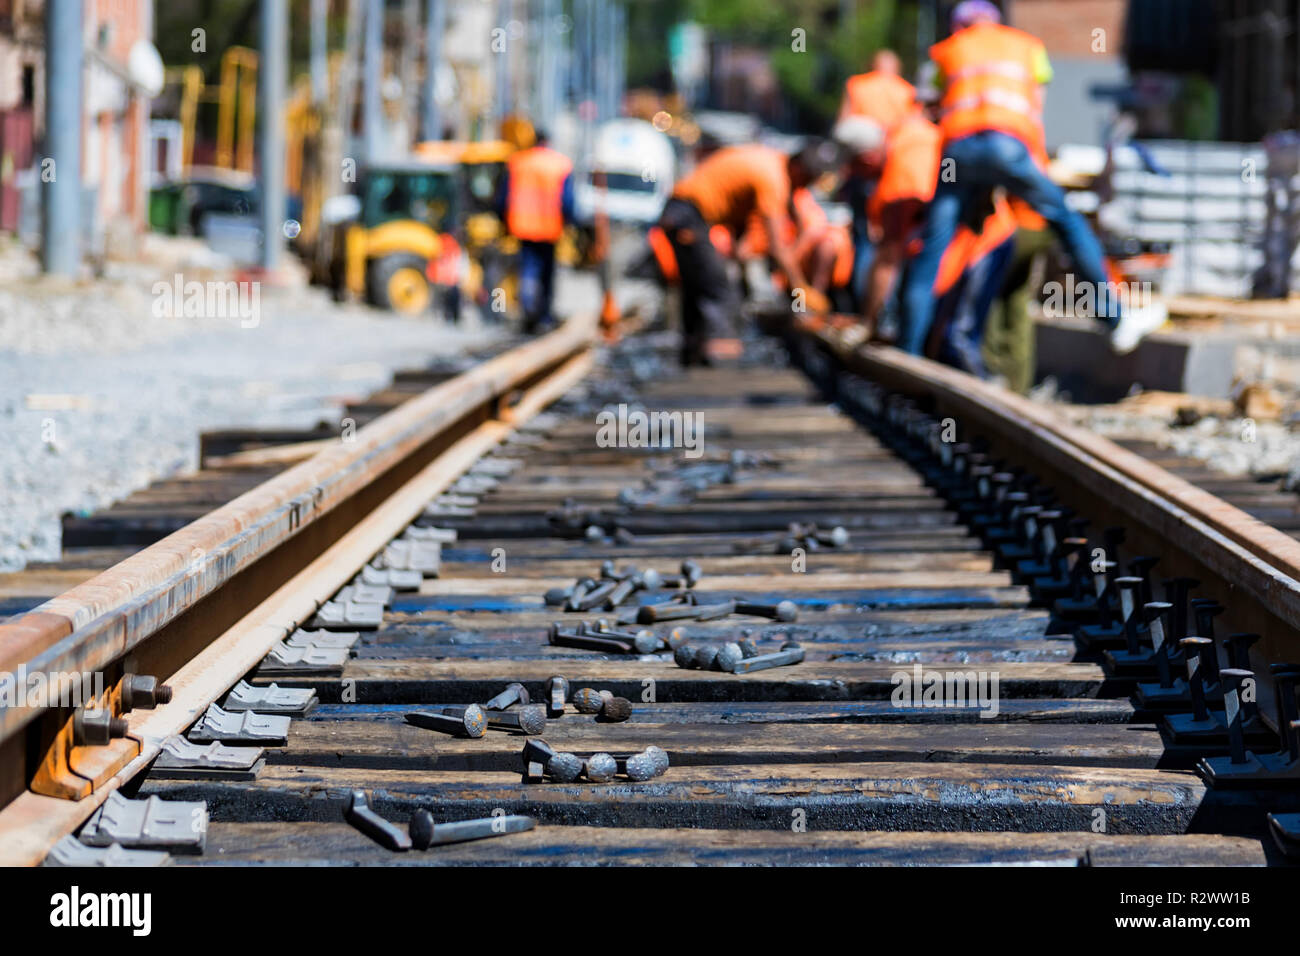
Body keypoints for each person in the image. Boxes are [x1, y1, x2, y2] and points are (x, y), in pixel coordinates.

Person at [897, 0, 1164, 356]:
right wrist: (1035, 169)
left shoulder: (949, 50)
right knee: (1066, 221)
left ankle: (908, 352)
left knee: (934, 245)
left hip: (959, 150)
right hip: (1008, 146)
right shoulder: (1028, 47)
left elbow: (935, 103)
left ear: (960, 25)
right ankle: (1113, 317)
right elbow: (1034, 111)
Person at [658, 141, 842, 366]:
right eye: (807, 179)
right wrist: (800, 289)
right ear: (798, 168)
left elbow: (738, 204)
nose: (804, 187)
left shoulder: (770, 162)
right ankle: (720, 356)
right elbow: (777, 247)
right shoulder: (773, 177)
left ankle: (693, 353)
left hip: (682, 212)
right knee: (718, 285)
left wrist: (739, 249)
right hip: (687, 214)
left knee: (699, 286)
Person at [837, 50, 916, 309]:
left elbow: (842, 129)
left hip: (863, 170)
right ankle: (884, 310)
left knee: (864, 239)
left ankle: (863, 307)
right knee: (891, 245)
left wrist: (842, 173)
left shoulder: (857, 85)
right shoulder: (906, 91)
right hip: (893, 172)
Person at [497, 129, 575, 333]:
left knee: (528, 270)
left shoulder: (518, 162)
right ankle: (545, 315)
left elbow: (503, 197)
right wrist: (569, 222)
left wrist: (503, 222)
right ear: (548, 142)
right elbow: (567, 201)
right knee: (547, 273)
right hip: (550, 228)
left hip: (523, 226)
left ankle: (528, 310)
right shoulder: (560, 164)